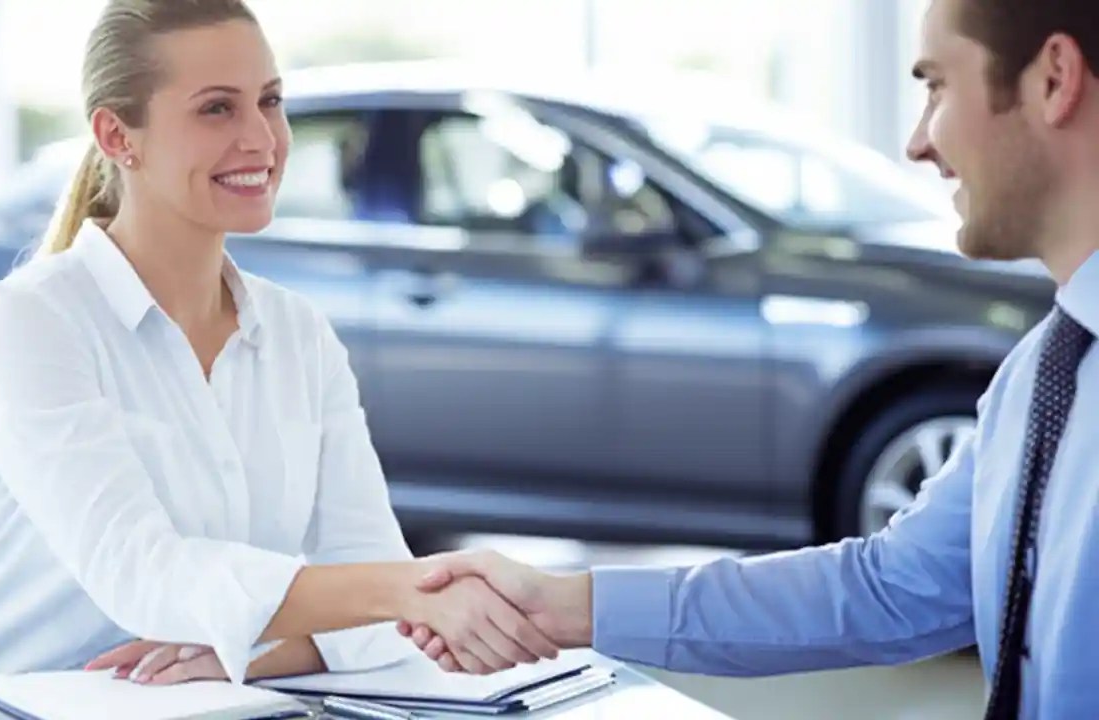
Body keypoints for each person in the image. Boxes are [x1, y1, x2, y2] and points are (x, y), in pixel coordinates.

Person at [400, 0, 1099, 716]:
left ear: (1053, 79)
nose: (919, 143)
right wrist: (563, 605)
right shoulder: (1042, 372)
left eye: (937, 86)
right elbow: (891, 589)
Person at [0, 0, 559, 686]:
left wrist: (264, 655)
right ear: (116, 135)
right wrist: (409, 589)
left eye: (270, 100)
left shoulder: (298, 334)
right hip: (4, 700)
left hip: (202, 703)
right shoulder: (28, 323)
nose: (263, 138)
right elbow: (143, 571)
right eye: (217, 109)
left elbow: (367, 567)